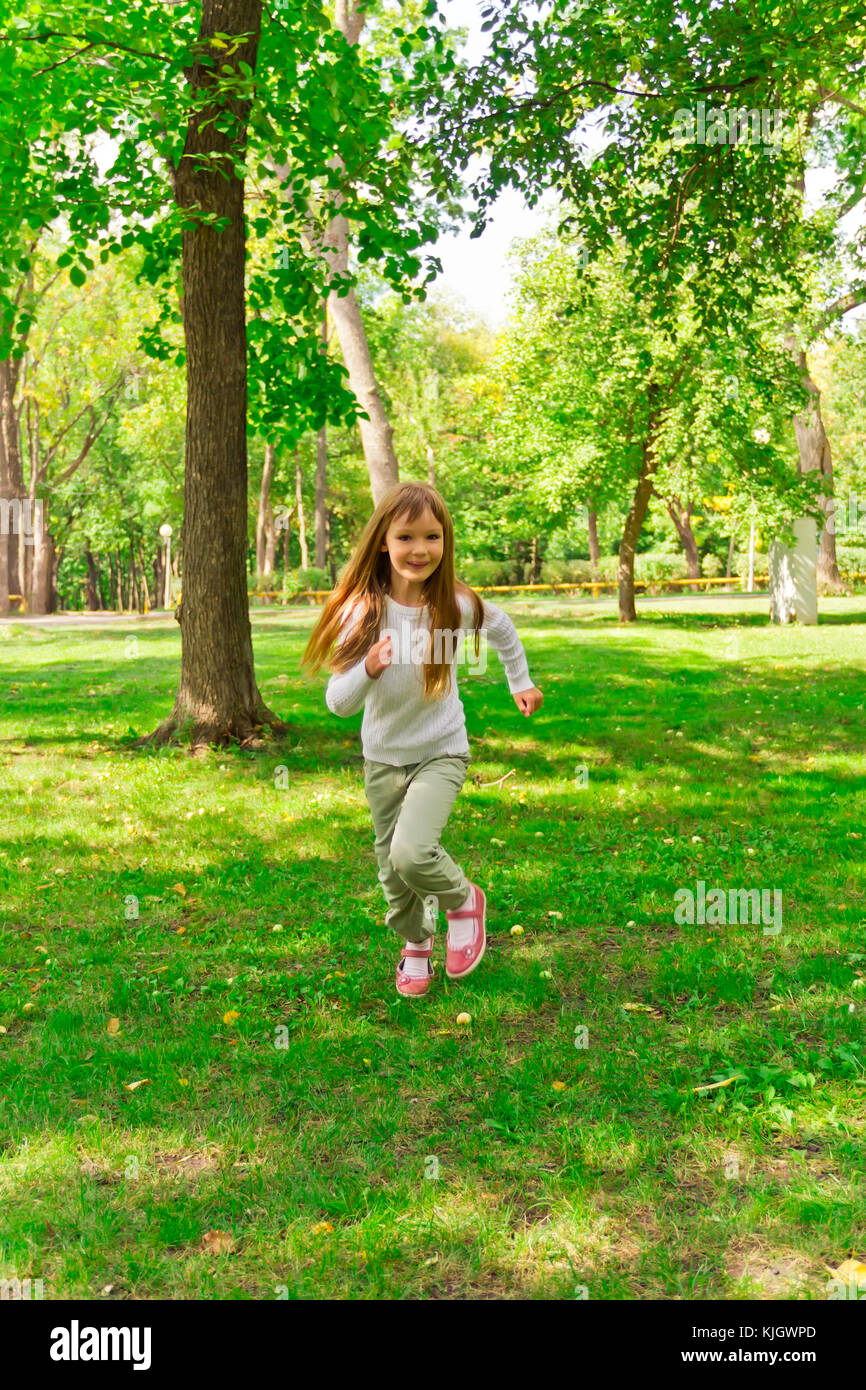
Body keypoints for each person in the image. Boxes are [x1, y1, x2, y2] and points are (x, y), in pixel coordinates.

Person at [301, 482, 543, 997]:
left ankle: (463, 901)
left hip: (441, 750)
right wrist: (367, 667)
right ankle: (415, 943)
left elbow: (503, 631)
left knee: (412, 853)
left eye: (432, 536)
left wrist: (519, 680)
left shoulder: (454, 604)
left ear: (445, 541)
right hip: (383, 760)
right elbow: (338, 704)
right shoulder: (361, 613)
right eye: (406, 536)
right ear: (383, 541)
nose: (419, 549)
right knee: (393, 874)